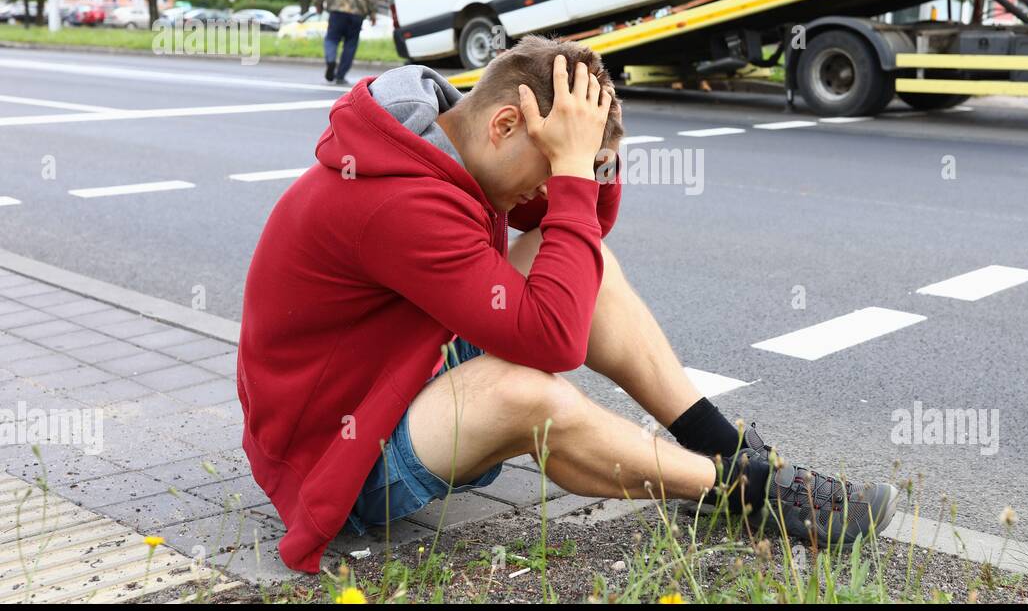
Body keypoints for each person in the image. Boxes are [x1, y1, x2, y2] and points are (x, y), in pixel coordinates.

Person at [237, 35, 900, 574]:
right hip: (344, 459)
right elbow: (553, 341)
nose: (555, 183)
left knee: (590, 267)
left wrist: (595, 154)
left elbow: (582, 243)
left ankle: (726, 449)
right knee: (526, 391)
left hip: (394, 380)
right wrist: (574, 174)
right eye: (552, 162)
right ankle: (741, 495)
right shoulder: (398, 199)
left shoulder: (445, 142)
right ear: (504, 124)